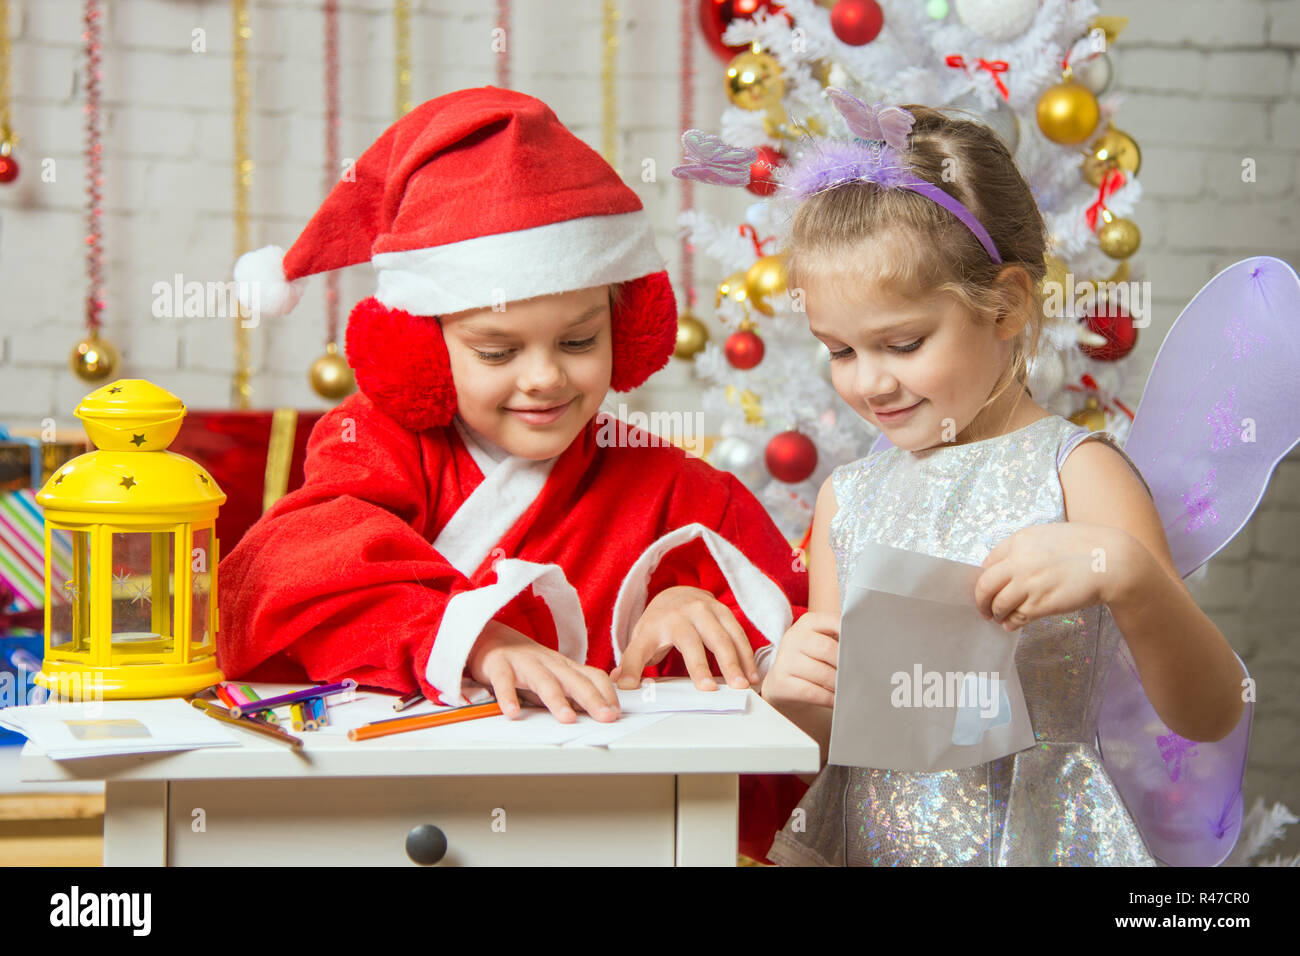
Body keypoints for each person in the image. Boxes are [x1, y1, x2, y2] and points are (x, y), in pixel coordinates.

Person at [217, 87, 808, 860]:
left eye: (578, 341)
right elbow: (279, 572)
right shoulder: (378, 444)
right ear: (422, 349)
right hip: (375, 823)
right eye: (497, 351)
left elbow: (797, 670)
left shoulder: (676, 490)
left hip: (592, 840)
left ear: (627, 329)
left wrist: (692, 612)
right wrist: (474, 640)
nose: (544, 378)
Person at [755, 94, 1245, 866]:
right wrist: (793, 697)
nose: (869, 383)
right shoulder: (846, 499)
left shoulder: (1077, 473)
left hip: (1037, 842)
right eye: (840, 351)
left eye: (903, 343)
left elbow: (1210, 714)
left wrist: (1130, 575)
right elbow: (839, 734)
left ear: (1007, 306)